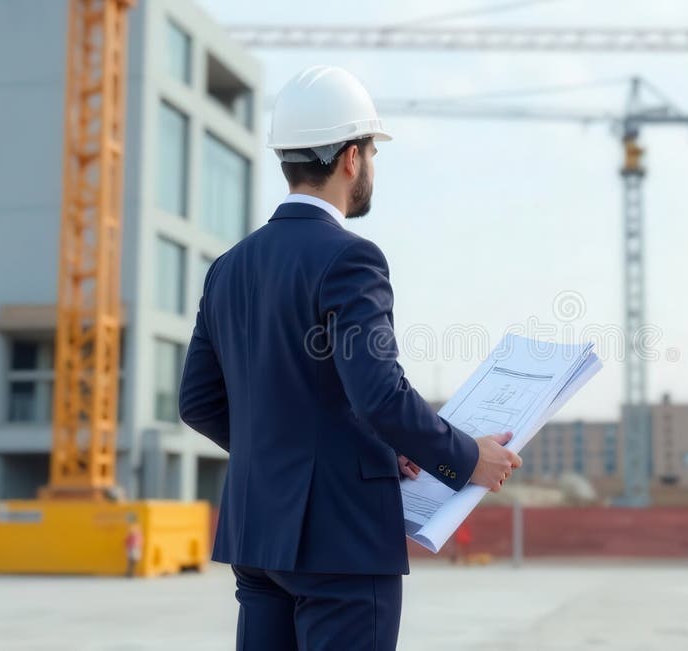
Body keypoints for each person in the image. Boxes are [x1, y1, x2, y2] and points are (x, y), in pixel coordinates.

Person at [179, 65, 522, 651]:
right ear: (351, 159)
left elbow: (198, 402)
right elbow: (379, 395)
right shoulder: (350, 260)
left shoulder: (228, 267)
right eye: (371, 151)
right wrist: (466, 459)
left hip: (258, 536)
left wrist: (294, 456)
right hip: (340, 540)